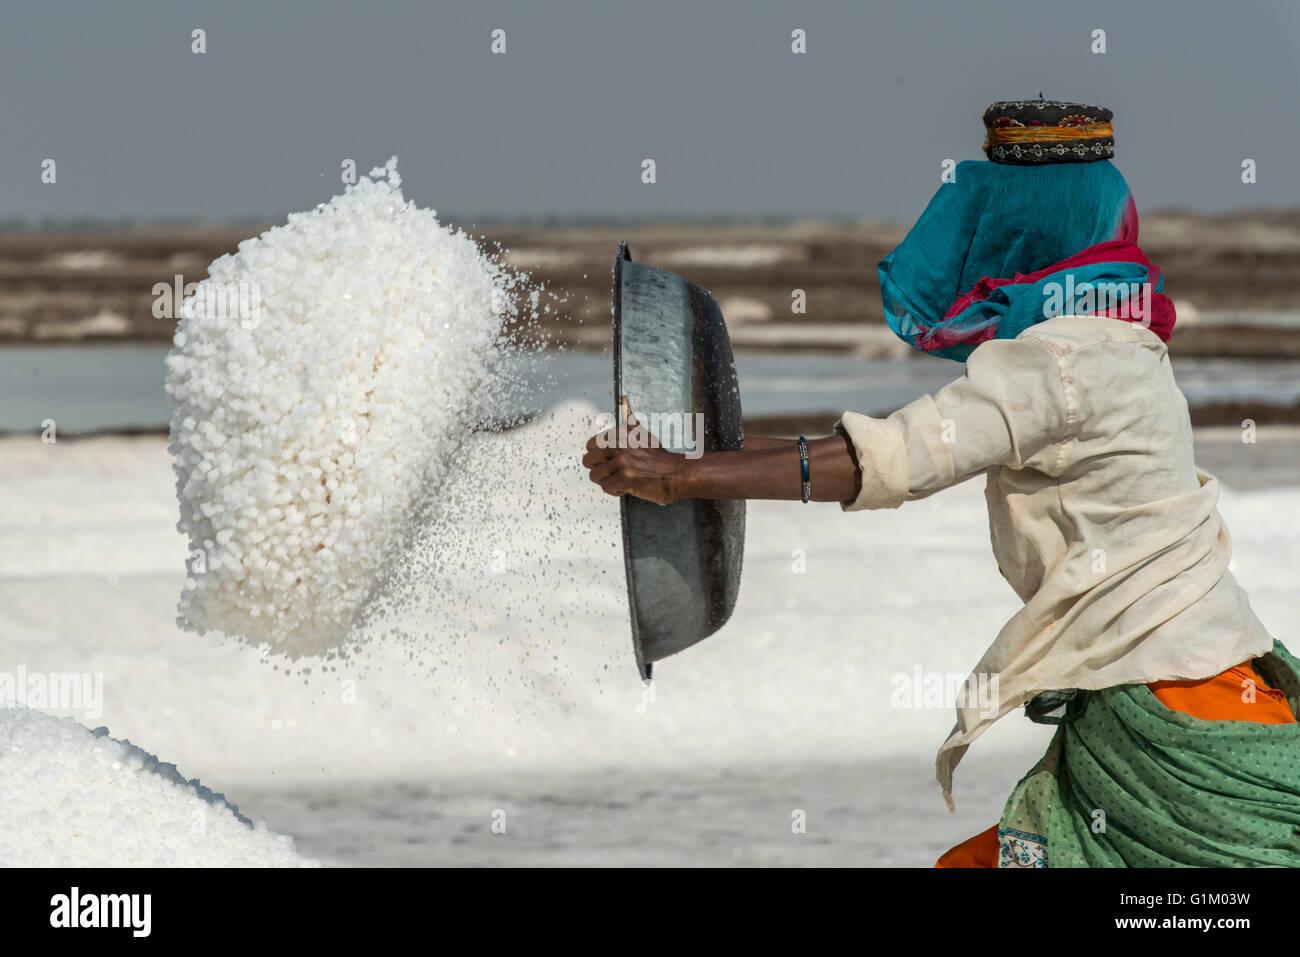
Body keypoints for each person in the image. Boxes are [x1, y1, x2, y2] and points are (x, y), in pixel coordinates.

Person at [583, 101, 1300, 867]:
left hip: (1174, 704)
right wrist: (687, 464)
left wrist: (685, 474)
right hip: (1192, 683)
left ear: (1026, 227)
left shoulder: (1059, 361)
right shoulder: (1125, 340)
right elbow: (878, 447)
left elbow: (888, 458)